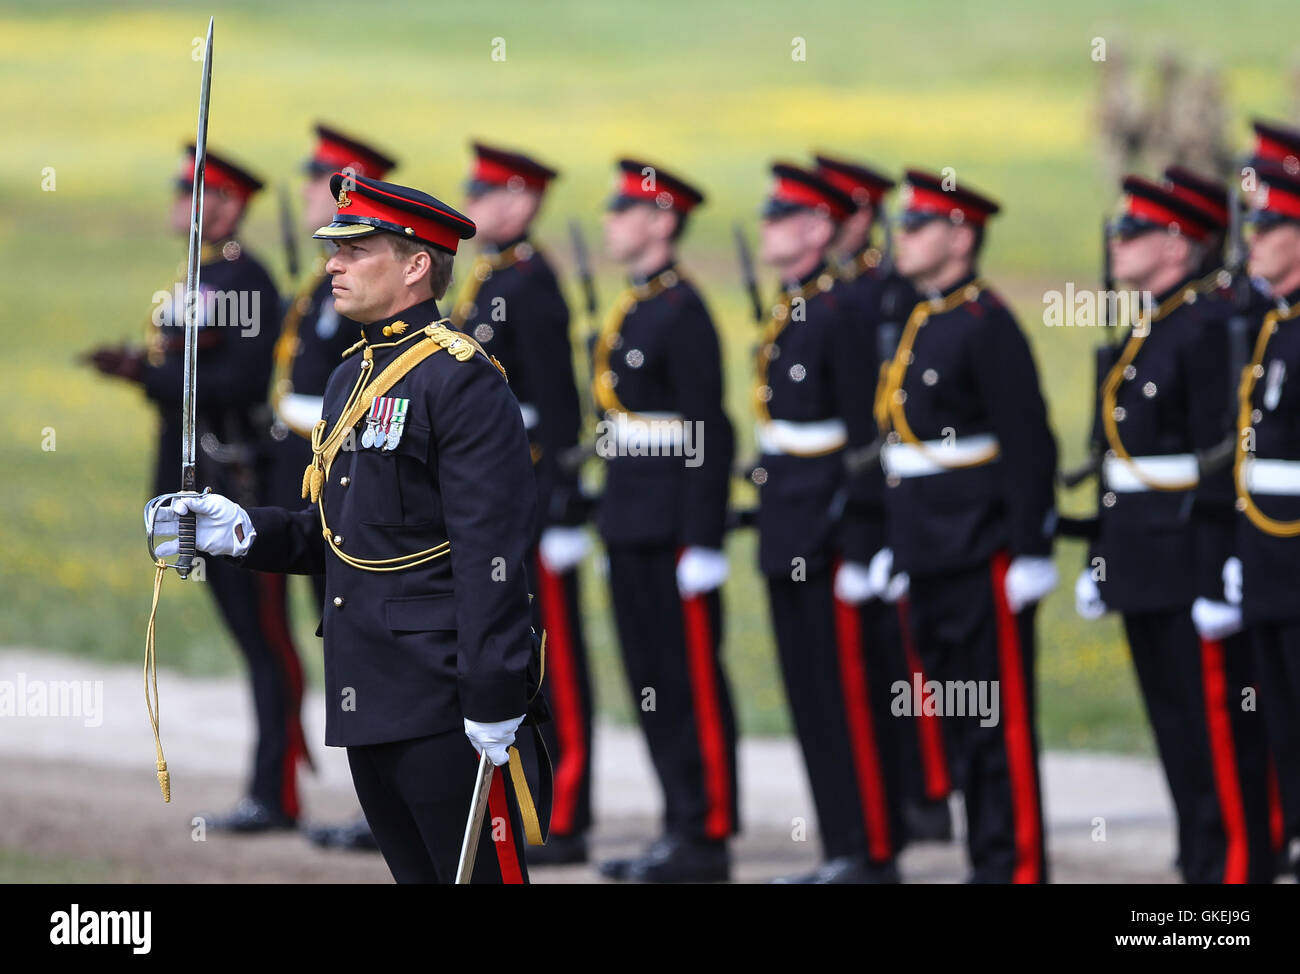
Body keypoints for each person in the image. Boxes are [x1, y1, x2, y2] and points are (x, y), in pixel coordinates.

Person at [147, 172, 545, 883]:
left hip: (446, 706)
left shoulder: (462, 381)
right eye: (336, 247)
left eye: (357, 249)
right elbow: (343, 538)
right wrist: (240, 531)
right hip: (368, 697)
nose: (332, 261)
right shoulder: (351, 377)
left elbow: (494, 556)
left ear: (417, 264)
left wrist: (493, 697)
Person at [90, 144, 300, 832]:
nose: (181, 206)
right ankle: (269, 782)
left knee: (265, 640)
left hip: (236, 482)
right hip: (191, 477)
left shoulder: (248, 278)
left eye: (196, 195)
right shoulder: (195, 277)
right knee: (248, 637)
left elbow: (239, 383)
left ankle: (277, 790)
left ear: (231, 206)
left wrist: (141, 376)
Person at [1075, 175, 1274, 883]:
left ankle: (1235, 867)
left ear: (1177, 243)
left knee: (1217, 725)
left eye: (1133, 233)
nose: (1117, 244)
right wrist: (1099, 558)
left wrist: (1224, 559)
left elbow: (1223, 456)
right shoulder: (1151, 323)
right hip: (1141, 554)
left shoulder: (1210, 325)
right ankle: (1198, 857)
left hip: (1192, 552)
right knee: (1173, 722)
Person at [875, 169, 1058, 883]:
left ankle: (1014, 867)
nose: (902, 238)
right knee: (958, 722)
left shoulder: (987, 324)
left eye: (918, 227)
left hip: (981, 552)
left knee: (998, 728)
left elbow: (1029, 444)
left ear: (960, 237)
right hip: (927, 551)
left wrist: (1033, 550)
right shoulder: (921, 318)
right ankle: (987, 861)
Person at [592, 158, 739, 883]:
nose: (610, 222)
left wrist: (704, 539)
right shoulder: (637, 305)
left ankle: (705, 832)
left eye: (624, 211)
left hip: (672, 528)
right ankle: (677, 825)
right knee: (649, 677)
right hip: (629, 519)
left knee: (689, 682)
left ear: (661, 221)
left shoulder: (683, 312)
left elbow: (710, 430)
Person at [755, 162, 903, 883]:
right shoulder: (796, 304)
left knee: (846, 696)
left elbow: (867, 439)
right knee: (810, 695)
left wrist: (863, 540)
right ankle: (839, 845)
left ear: (818, 229)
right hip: (788, 524)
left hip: (829, 529)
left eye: (782, 218)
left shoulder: (843, 312)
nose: (767, 228)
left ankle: (871, 848)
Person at [454, 141, 593, 865]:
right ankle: (527, 808)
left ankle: (565, 812)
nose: (472, 203)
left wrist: (563, 497)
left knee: (555, 658)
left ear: (522, 200)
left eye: (485, 192)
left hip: (534, 491)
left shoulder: (532, 283)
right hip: (502, 492)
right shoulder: (491, 275)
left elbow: (560, 403)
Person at [814, 152, 953, 845]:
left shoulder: (884, 294)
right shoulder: (843, 293)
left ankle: (926, 790)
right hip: (855, 499)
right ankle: (903, 794)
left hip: (893, 498)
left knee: (906, 654)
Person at [267, 124, 397, 853]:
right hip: (310, 469)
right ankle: (372, 801)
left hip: (360, 489)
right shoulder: (328, 288)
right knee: (340, 640)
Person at [1230, 156, 1300, 882]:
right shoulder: (1274, 328)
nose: (1254, 236)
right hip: (1270, 562)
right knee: (1281, 726)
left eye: (1270, 225)